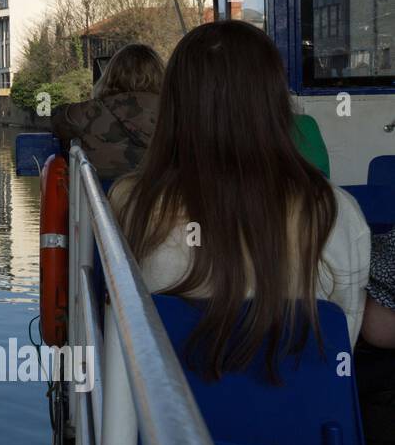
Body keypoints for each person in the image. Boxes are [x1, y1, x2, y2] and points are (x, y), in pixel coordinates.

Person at [109, 20, 372, 379]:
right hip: (303, 428)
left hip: (168, 428)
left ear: (174, 105)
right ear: (275, 100)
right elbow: (344, 342)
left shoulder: (130, 202)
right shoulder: (335, 211)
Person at [50, 43, 163, 181]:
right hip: (164, 196)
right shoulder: (175, 112)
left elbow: (57, 120)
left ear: (111, 74)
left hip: (100, 199)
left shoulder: (90, 111)